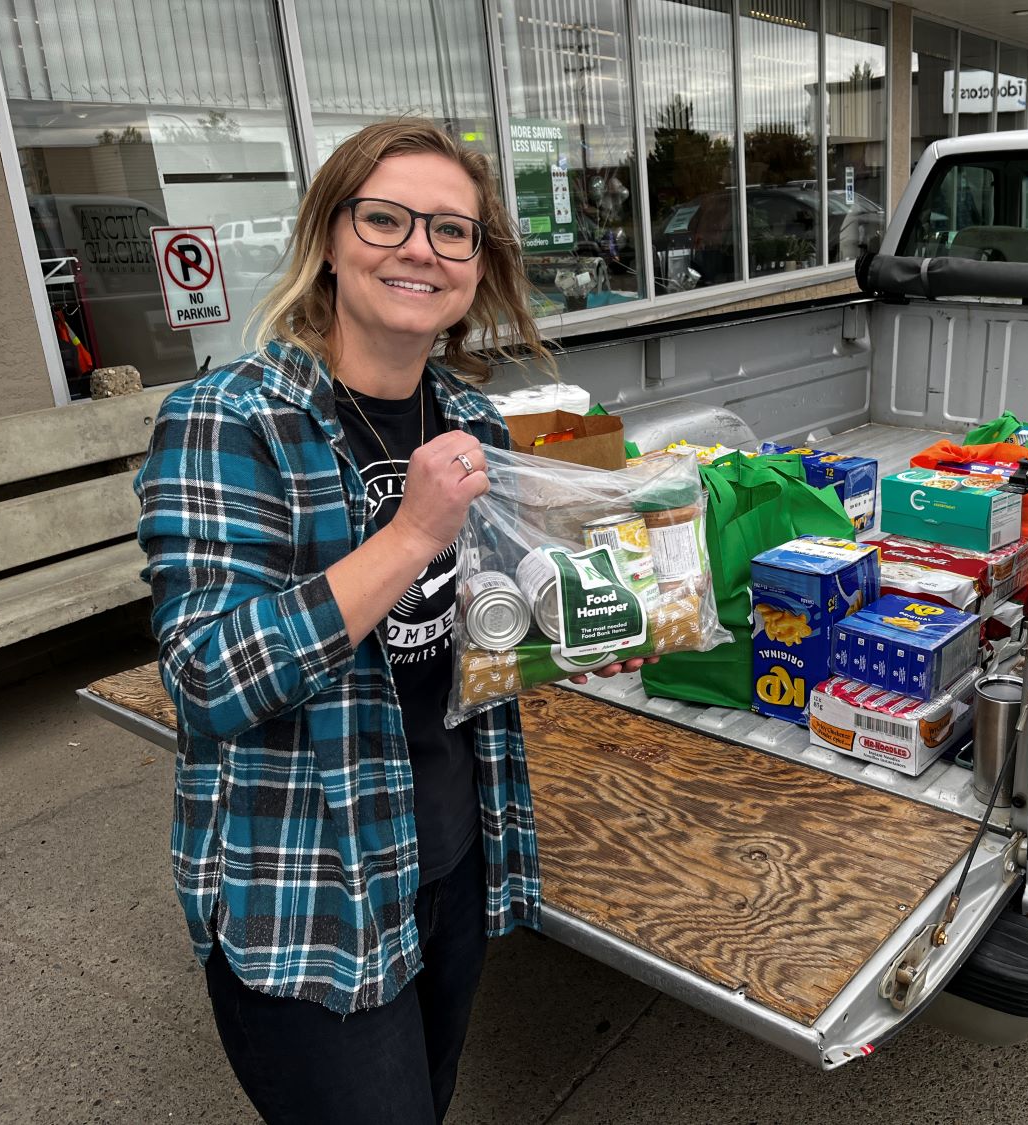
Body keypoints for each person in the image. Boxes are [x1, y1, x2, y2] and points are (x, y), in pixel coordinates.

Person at [135, 119, 647, 1124]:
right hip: (314, 889)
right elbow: (207, 677)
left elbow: (481, 638)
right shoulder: (232, 418)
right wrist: (412, 533)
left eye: (453, 231)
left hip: (451, 856)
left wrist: (592, 604)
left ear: (477, 266)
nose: (421, 248)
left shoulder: (475, 424)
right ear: (329, 238)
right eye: (386, 218)